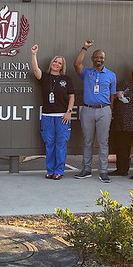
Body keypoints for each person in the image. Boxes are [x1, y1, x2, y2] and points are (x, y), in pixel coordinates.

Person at [73, 41, 116, 183]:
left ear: (105, 59)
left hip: (104, 110)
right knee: (87, 141)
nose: (99, 59)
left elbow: (112, 95)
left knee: (103, 142)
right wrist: (85, 48)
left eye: (102, 58)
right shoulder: (87, 72)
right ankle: (86, 169)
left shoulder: (111, 75)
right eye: (97, 57)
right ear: (92, 59)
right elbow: (77, 65)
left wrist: (110, 110)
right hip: (88, 110)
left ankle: (103, 171)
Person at [30, 45, 74, 180]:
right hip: (47, 116)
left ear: (62, 66)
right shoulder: (45, 77)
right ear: (52, 63)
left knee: (61, 144)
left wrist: (69, 112)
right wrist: (34, 54)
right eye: (55, 61)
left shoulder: (66, 79)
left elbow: (72, 96)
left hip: (62, 117)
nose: (56, 64)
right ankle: (50, 170)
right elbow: (36, 70)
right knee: (49, 144)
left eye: (59, 63)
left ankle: (59, 171)